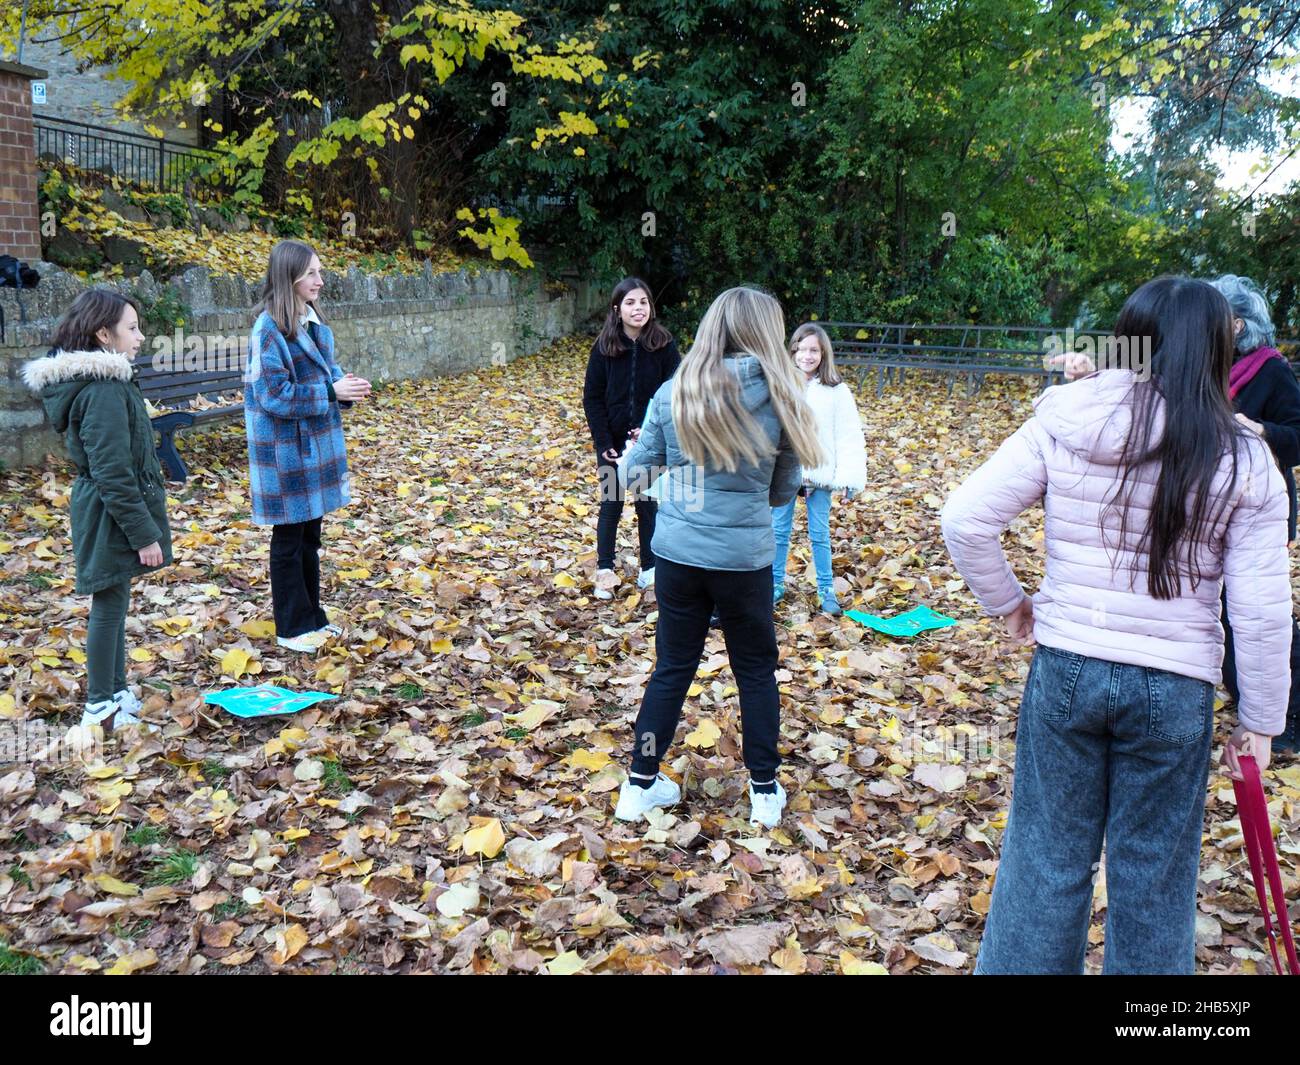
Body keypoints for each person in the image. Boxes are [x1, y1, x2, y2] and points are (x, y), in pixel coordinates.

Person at [942, 276, 1290, 974]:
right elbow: (1261, 606)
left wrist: (1013, 603)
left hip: (1068, 666)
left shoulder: (1068, 418)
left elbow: (963, 517)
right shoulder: (1246, 458)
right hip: (1176, 688)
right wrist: (1262, 718)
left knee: (1045, 858)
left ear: (1131, 338)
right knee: (1155, 881)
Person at [611, 286, 824, 827]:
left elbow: (633, 476)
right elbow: (781, 492)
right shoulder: (782, 398)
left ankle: (638, 787)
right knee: (755, 672)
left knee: (672, 668)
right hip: (744, 561)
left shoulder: (674, 391)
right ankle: (764, 792)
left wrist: (660, 465)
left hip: (679, 558)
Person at [22, 289, 173, 731]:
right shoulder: (103, 391)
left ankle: (116, 691)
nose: (141, 337)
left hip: (108, 507)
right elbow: (113, 473)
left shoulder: (110, 382)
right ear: (103, 334)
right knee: (108, 605)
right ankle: (100, 709)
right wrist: (144, 533)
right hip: (109, 511)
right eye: (132, 328)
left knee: (116, 598)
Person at [246, 240, 371, 653]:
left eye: (320, 271)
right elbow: (274, 395)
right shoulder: (268, 329)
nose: (320, 280)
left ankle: (312, 617)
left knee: (309, 537)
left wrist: (345, 390)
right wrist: (331, 392)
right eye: (312, 273)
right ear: (290, 277)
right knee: (289, 539)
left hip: (311, 449)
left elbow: (328, 377)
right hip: (284, 453)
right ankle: (292, 626)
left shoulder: (312, 322)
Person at [1209, 274, 1300, 753]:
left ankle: (1286, 716)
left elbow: (1299, 435)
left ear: (1238, 324)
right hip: (1211, 505)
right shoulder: (1210, 367)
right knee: (1221, 608)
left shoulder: (1271, 371)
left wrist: (1261, 430)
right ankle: (1248, 699)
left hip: (1263, 507)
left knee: (1258, 612)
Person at [581, 277, 680, 600]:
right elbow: (592, 397)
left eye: (643, 302)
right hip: (612, 443)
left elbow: (674, 393)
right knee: (611, 503)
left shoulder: (664, 345)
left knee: (647, 504)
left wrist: (653, 429)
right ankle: (605, 570)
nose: (638, 309)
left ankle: (649, 568)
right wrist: (603, 442)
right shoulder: (605, 347)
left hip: (648, 443)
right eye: (630, 303)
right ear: (617, 309)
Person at [772, 323, 867, 615]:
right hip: (786, 470)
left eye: (813, 350)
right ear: (792, 352)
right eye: (801, 349)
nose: (806, 355)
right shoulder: (781, 385)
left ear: (823, 353)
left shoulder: (836, 391)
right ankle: (773, 584)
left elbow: (849, 434)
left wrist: (850, 476)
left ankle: (826, 589)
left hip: (819, 470)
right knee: (778, 530)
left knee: (819, 533)